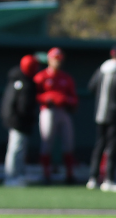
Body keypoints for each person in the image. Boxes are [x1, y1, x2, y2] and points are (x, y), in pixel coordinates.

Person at [86, 46, 116, 193]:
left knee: (99, 145)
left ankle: (93, 178)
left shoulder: (101, 70)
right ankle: (109, 179)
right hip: (115, 116)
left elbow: (91, 87)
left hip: (99, 114)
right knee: (112, 146)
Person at [34, 47, 78, 185]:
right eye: (55, 59)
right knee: (46, 143)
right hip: (48, 110)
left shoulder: (65, 77)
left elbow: (74, 98)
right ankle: (46, 174)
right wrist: (47, 98)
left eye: (60, 60)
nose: (58, 62)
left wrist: (67, 100)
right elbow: (33, 95)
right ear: (49, 59)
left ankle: (69, 174)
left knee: (68, 143)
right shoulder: (41, 76)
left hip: (63, 111)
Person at [0, 54, 38, 187]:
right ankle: (11, 177)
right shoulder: (20, 81)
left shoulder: (22, 79)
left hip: (20, 120)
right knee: (15, 149)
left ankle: (19, 175)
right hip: (17, 120)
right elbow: (22, 105)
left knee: (20, 150)